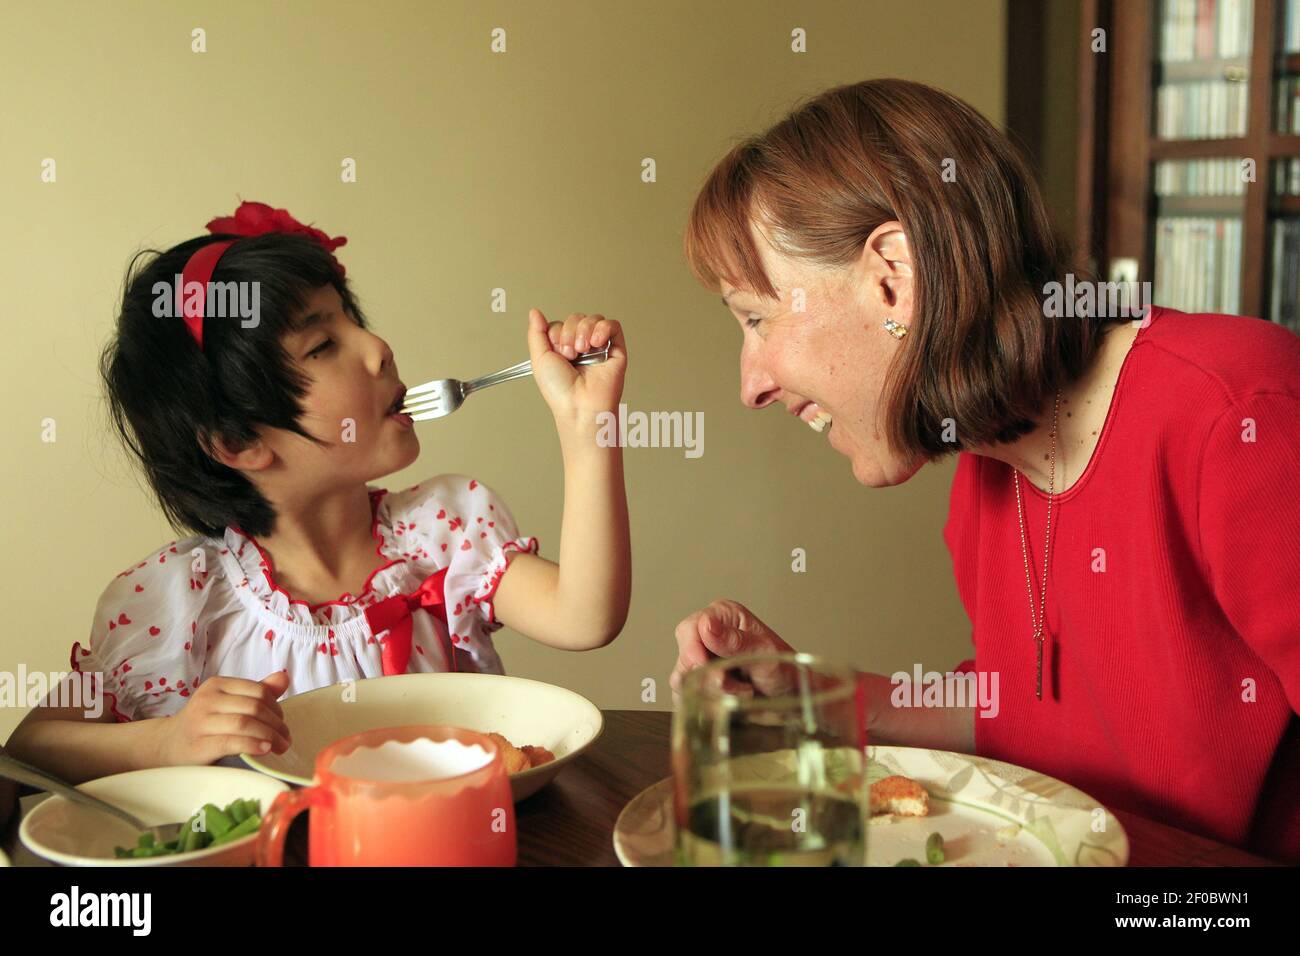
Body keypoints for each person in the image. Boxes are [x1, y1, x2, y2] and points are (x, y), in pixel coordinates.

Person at [670, 79, 1300, 864]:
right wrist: (812, 697)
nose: (750, 384)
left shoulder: (1238, 412)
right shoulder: (985, 471)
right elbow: (1014, 711)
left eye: (756, 318)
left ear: (891, 277)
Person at [6, 201, 631, 784]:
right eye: (323, 344)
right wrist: (167, 742)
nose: (377, 349)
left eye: (353, 320)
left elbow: (586, 615)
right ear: (237, 441)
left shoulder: (442, 531)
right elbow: (31, 751)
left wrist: (586, 425)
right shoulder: (180, 605)